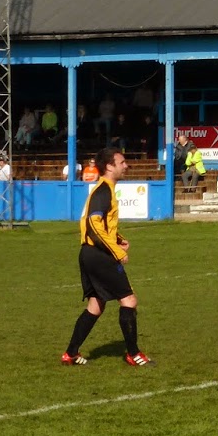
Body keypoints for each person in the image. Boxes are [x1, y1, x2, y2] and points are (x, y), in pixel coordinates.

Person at [63, 148, 150, 367]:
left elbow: (99, 224)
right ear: (110, 166)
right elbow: (93, 225)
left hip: (89, 253)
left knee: (96, 305)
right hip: (99, 255)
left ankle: (71, 353)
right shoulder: (103, 191)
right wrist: (117, 251)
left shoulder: (104, 190)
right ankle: (133, 354)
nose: (126, 166)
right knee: (129, 300)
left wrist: (118, 238)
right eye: (122, 162)